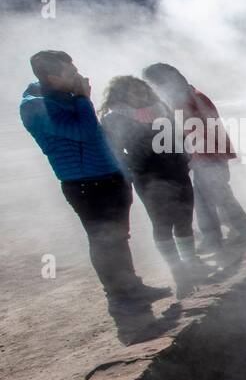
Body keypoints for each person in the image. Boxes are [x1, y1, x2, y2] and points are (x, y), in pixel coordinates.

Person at [20, 51, 170, 316]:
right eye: (71, 73)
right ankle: (118, 296)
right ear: (52, 78)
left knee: (119, 237)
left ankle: (131, 286)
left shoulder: (64, 97)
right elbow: (84, 132)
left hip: (109, 178)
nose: (78, 77)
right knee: (103, 240)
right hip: (86, 184)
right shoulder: (36, 106)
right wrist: (82, 98)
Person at [100, 75, 211, 296]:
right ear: (121, 94)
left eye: (141, 88)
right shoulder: (115, 117)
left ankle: (190, 264)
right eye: (133, 90)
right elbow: (122, 146)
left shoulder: (160, 108)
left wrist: (185, 154)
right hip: (149, 175)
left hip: (177, 170)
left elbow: (178, 134)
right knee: (162, 225)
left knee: (184, 220)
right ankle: (179, 274)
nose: (139, 94)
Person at [143, 62, 246, 255]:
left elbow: (191, 130)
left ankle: (241, 232)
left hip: (208, 155)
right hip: (207, 155)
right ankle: (219, 236)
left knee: (218, 197)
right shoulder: (187, 96)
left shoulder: (186, 99)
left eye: (154, 84)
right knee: (207, 199)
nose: (154, 89)